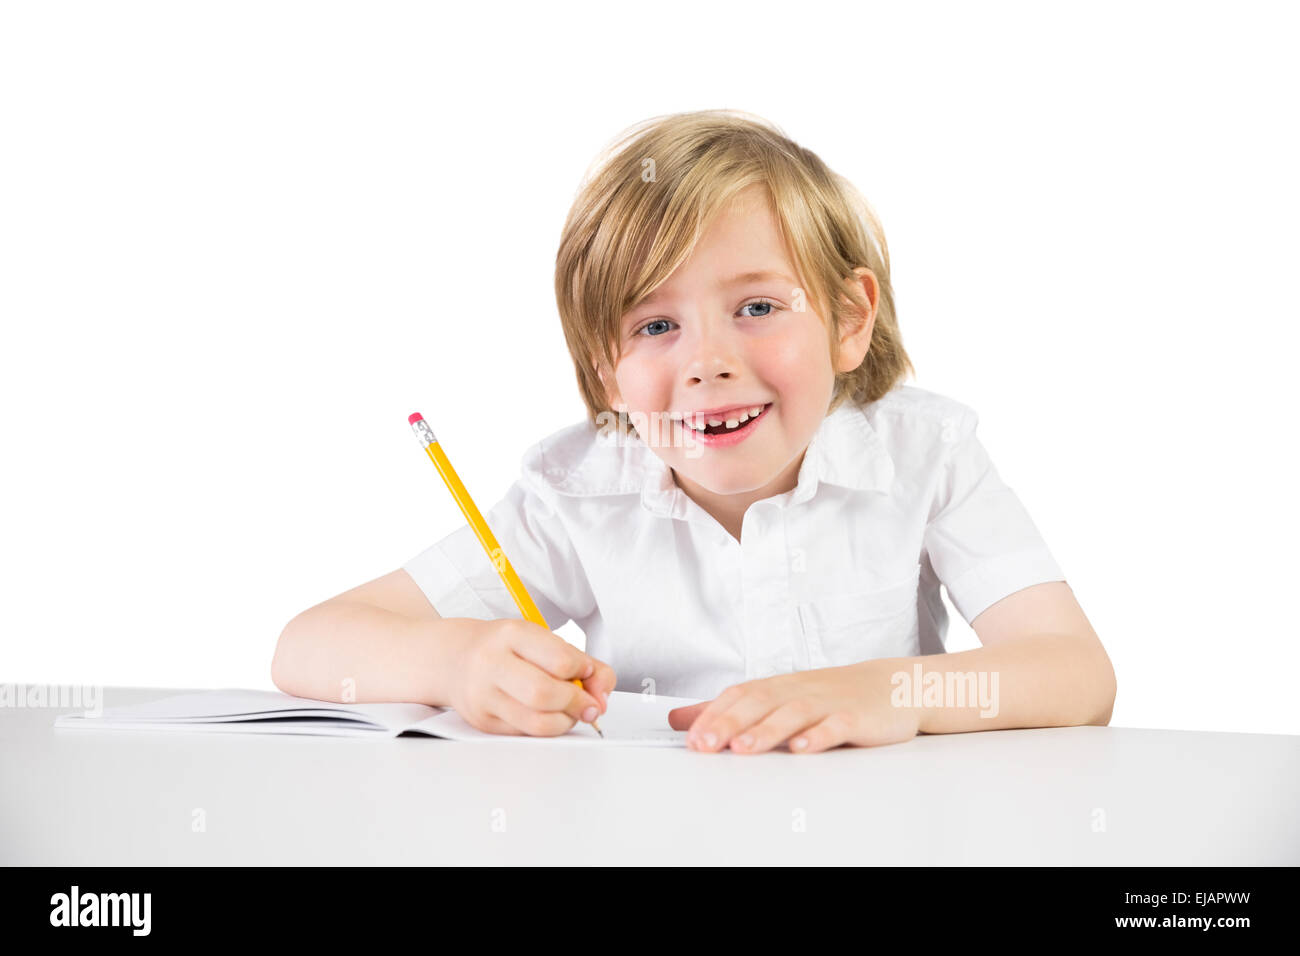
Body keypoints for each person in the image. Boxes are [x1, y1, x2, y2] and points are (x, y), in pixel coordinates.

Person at [272, 109, 1116, 754]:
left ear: (850, 319)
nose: (707, 363)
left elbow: (1077, 675)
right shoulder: (576, 493)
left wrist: (892, 694)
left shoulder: (924, 456)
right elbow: (308, 647)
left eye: (756, 307)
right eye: (654, 327)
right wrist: (456, 664)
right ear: (607, 367)